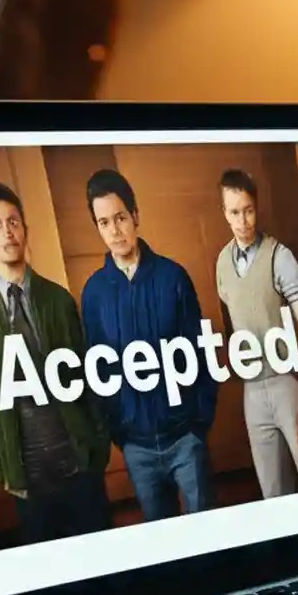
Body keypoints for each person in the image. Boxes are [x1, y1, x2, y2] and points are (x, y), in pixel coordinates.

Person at [0, 181, 111, 545]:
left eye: (13, 222)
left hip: (79, 470)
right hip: (28, 484)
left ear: (24, 228)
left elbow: (88, 377)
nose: (7, 232)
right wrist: (2, 468)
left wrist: (97, 448)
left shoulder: (57, 299)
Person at [80, 169, 218, 520]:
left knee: (211, 540)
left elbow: (200, 354)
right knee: (165, 549)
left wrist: (198, 424)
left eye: (121, 218)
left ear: (136, 216)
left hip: (185, 439)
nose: (115, 230)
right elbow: (100, 371)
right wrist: (119, 433)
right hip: (136, 446)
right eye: (104, 222)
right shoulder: (94, 294)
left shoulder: (173, 277)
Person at [215, 169, 298, 498]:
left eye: (248, 210)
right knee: (273, 495)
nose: (243, 221)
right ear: (224, 213)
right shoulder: (222, 264)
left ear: (257, 207)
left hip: (287, 385)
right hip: (252, 392)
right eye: (235, 212)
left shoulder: (281, 258)